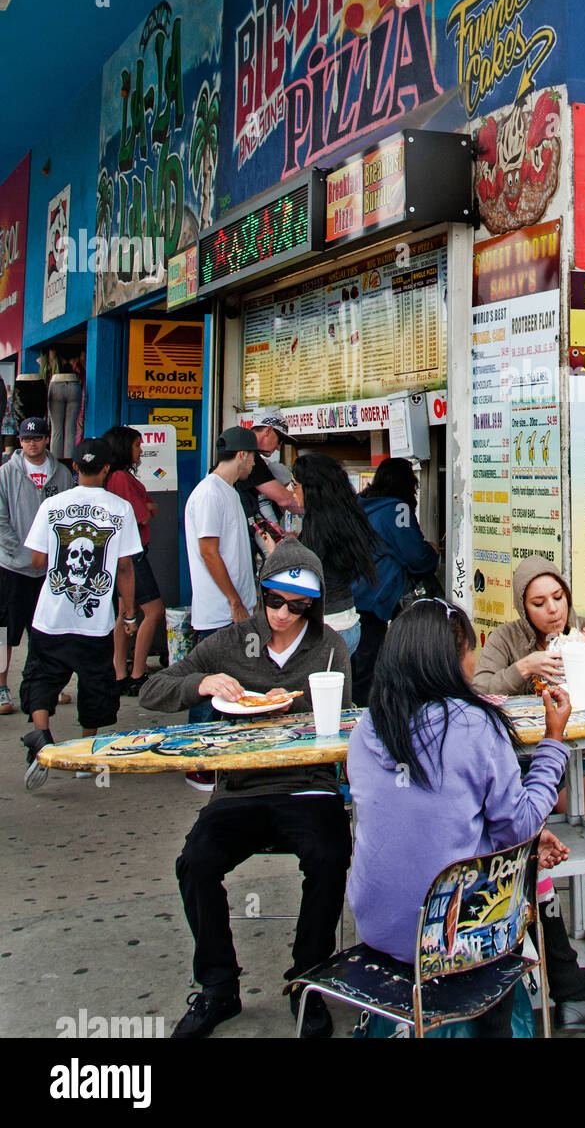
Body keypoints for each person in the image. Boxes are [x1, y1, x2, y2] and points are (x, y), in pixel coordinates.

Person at [346, 599, 585, 1035]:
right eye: (470, 649)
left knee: (523, 853)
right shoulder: (473, 723)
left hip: (380, 927)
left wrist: (524, 839)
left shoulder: (365, 729)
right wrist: (553, 739)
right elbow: (519, 825)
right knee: (524, 862)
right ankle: (568, 992)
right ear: (451, 659)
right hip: (458, 936)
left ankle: (572, 989)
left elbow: (426, 816)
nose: (474, 660)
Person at [141, 540, 353, 1040]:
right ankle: (218, 986)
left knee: (330, 854)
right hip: (239, 786)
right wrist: (202, 683)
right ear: (262, 594)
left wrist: (296, 710)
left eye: (297, 606)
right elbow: (153, 690)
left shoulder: (330, 647)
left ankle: (308, 977)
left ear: (313, 606)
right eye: (274, 600)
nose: (283, 614)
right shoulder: (231, 642)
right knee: (195, 862)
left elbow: (342, 722)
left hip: (307, 783)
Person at [474, 555, 585, 924]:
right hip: (524, 759)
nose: (553, 610)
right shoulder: (506, 639)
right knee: (525, 815)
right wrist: (523, 667)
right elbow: (479, 690)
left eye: (558, 598)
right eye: (539, 603)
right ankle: (527, 919)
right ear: (523, 607)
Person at [19, 438, 140, 790]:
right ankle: (87, 754)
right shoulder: (120, 509)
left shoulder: (52, 505)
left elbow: (37, 561)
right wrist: (129, 614)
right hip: (94, 621)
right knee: (95, 684)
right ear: (107, 469)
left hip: (51, 617)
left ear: (75, 467)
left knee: (41, 677)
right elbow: (125, 567)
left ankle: (41, 737)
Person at [182, 426, 260, 790]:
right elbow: (209, 551)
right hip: (219, 612)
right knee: (209, 687)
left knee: (229, 688)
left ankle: (217, 759)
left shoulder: (228, 492)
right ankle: (197, 764)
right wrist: (234, 601)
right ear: (242, 455)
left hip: (235, 610)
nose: (254, 465)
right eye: (254, 457)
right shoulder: (209, 493)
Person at [350, 457, 439, 705]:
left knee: (359, 668)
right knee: (369, 671)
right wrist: (432, 552)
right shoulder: (396, 509)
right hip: (375, 599)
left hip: (352, 598)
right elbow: (416, 556)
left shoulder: (359, 505)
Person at [0, 417, 73, 716]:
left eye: (38, 438)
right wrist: (21, 552)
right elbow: (1, 519)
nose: (32, 443)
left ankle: (48, 686)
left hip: (49, 569)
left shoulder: (62, 474)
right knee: (4, 632)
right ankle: (1, 688)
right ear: (20, 441)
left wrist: (54, 555)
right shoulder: (6, 473)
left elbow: (68, 516)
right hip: (11, 567)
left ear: (46, 439)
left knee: (47, 629)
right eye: (27, 439)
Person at [280, 452, 378, 661]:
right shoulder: (343, 519)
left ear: (312, 488)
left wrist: (276, 554)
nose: (291, 490)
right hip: (347, 621)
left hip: (324, 627)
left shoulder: (317, 527)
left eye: (294, 484)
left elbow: (301, 580)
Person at [102, 425, 164, 695]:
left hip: (126, 553)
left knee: (124, 611)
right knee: (153, 611)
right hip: (132, 554)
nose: (140, 450)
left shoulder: (119, 476)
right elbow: (143, 515)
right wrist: (148, 507)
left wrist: (148, 507)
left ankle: (119, 672)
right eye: (137, 445)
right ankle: (137, 673)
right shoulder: (120, 478)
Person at [236, 408, 301, 528]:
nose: (278, 448)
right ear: (268, 431)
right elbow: (285, 499)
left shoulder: (240, 447)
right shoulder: (250, 456)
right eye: (279, 441)